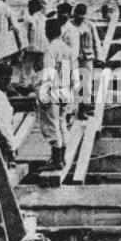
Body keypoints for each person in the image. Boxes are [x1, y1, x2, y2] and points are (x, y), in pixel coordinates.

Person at [37, 18, 75, 170]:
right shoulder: (68, 49)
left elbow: (48, 73)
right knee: (61, 122)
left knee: (51, 125)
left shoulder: (50, 49)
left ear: (47, 32)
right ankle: (61, 157)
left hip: (53, 90)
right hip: (65, 89)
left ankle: (57, 159)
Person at [70, 4, 97, 120]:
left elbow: (96, 42)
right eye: (78, 16)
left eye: (82, 17)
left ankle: (83, 110)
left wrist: (99, 58)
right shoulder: (69, 26)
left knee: (86, 85)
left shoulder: (90, 25)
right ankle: (72, 111)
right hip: (74, 59)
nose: (79, 19)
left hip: (87, 58)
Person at [18, 0, 47, 91]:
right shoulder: (45, 19)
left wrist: (21, 49)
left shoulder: (29, 19)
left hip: (31, 49)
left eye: (29, 7)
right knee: (40, 70)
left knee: (25, 69)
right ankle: (42, 87)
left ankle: (23, 87)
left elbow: (23, 35)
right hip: (42, 49)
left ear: (33, 8)